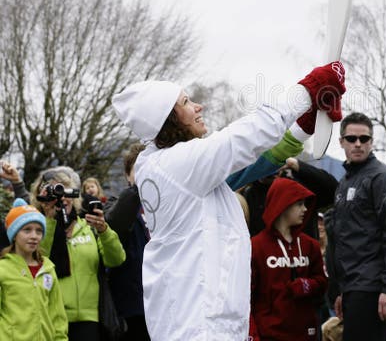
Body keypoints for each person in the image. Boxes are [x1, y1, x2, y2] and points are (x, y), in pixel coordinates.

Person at [111, 61, 345, 340]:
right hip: (198, 326)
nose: (199, 106)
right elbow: (243, 138)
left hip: (204, 322)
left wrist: (302, 126)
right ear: (168, 120)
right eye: (187, 102)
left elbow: (250, 164)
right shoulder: (177, 165)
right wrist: (308, 90)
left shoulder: (173, 169)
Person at [327, 112, 386, 341]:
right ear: (341, 142)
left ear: (371, 142)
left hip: (373, 290)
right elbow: (343, 241)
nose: (358, 144)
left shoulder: (382, 178)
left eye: (364, 139)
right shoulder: (344, 182)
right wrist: (341, 290)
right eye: (352, 138)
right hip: (352, 288)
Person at [32, 166, 126, 340]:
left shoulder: (88, 227)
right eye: (56, 192)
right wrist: (49, 219)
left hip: (90, 319)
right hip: (51, 319)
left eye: (65, 190)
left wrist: (104, 231)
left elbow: (116, 259)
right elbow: (39, 259)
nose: (62, 198)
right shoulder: (37, 230)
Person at [250, 177, 328, 340]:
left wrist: (307, 285)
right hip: (269, 333)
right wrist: (253, 333)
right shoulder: (256, 246)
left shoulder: (310, 245)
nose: (305, 209)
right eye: (299, 204)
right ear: (283, 205)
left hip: (305, 332)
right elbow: (247, 296)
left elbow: (322, 283)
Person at [0, 198, 68, 339]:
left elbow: (58, 316)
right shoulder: (3, 269)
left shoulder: (48, 268)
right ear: (14, 234)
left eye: (38, 231)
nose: (34, 236)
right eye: (27, 230)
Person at [103, 142, 151, 341]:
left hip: (166, 302)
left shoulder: (167, 204)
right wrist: (139, 188)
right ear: (127, 175)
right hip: (132, 308)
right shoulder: (117, 203)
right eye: (138, 169)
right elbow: (116, 222)